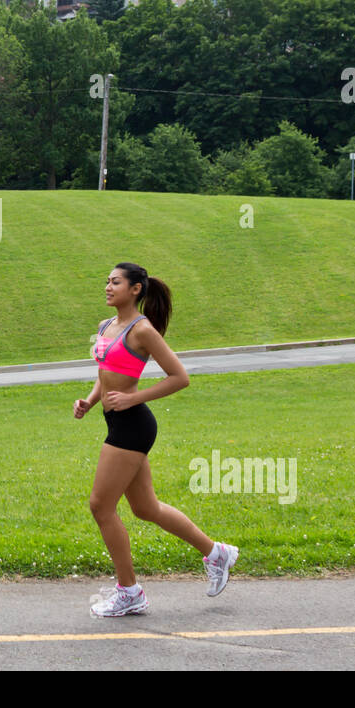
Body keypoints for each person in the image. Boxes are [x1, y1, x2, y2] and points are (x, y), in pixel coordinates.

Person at [73, 262, 238, 617]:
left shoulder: (142, 330)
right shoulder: (106, 326)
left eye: (115, 282)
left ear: (135, 289)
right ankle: (217, 552)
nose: (107, 286)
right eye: (107, 281)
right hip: (117, 421)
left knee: (101, 506)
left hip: (133, 424)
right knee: (145, 508)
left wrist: (133, 398)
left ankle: (129, 591)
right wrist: (90, 400)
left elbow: (179, 377)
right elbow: (106, 374)